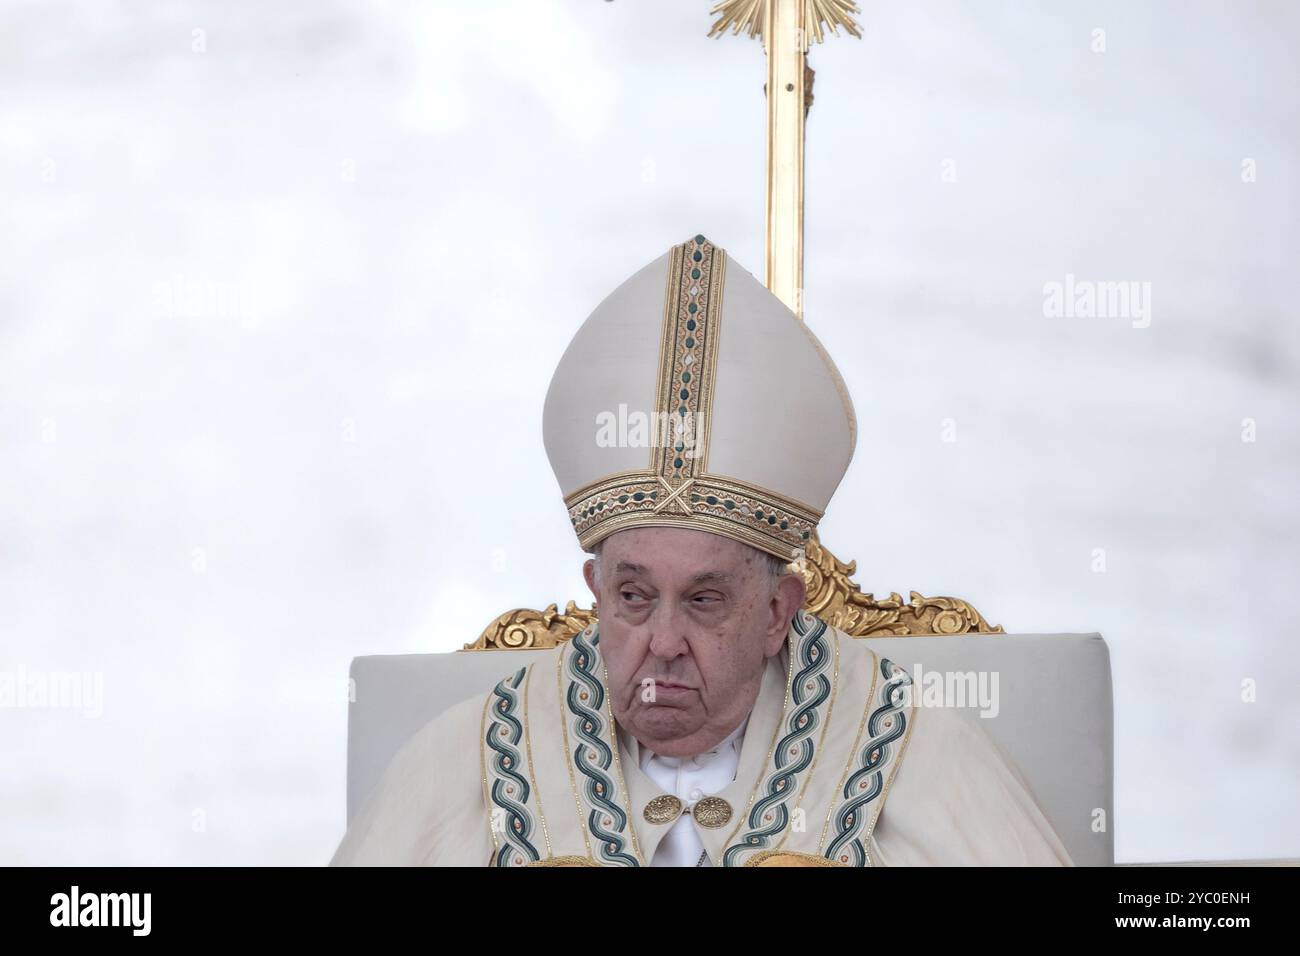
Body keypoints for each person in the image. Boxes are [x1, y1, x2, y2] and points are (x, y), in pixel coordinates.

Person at [330, 235, 1071, 866]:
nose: (662, 644)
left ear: (779, 611)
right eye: (633, 597)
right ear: (594, 589)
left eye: (705, 601)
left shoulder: (906, 754)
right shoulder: (483, 757)